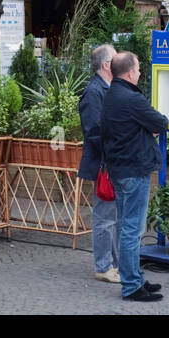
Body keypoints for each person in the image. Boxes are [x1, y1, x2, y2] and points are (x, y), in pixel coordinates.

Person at [100, 50, 169, 302]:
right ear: (130, 72)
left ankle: (135, 277)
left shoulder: (110, 94)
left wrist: (142, 131)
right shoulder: (132, 99)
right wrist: (147, 131)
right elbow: (161, 123)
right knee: (132, 229)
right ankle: (131, 286)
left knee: (127, 227)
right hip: (134, 170)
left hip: (119, 170)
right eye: (138, 69)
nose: (140, 72)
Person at [76, 43, 119, 283]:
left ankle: (114, 264)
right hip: (105, 164)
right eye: (115, 58)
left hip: (114, 162)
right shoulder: (94, 92)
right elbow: (93, 132)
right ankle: (104, 266)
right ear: (106, 65)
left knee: (114, 217)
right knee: (105, 217)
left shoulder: (109, 88)